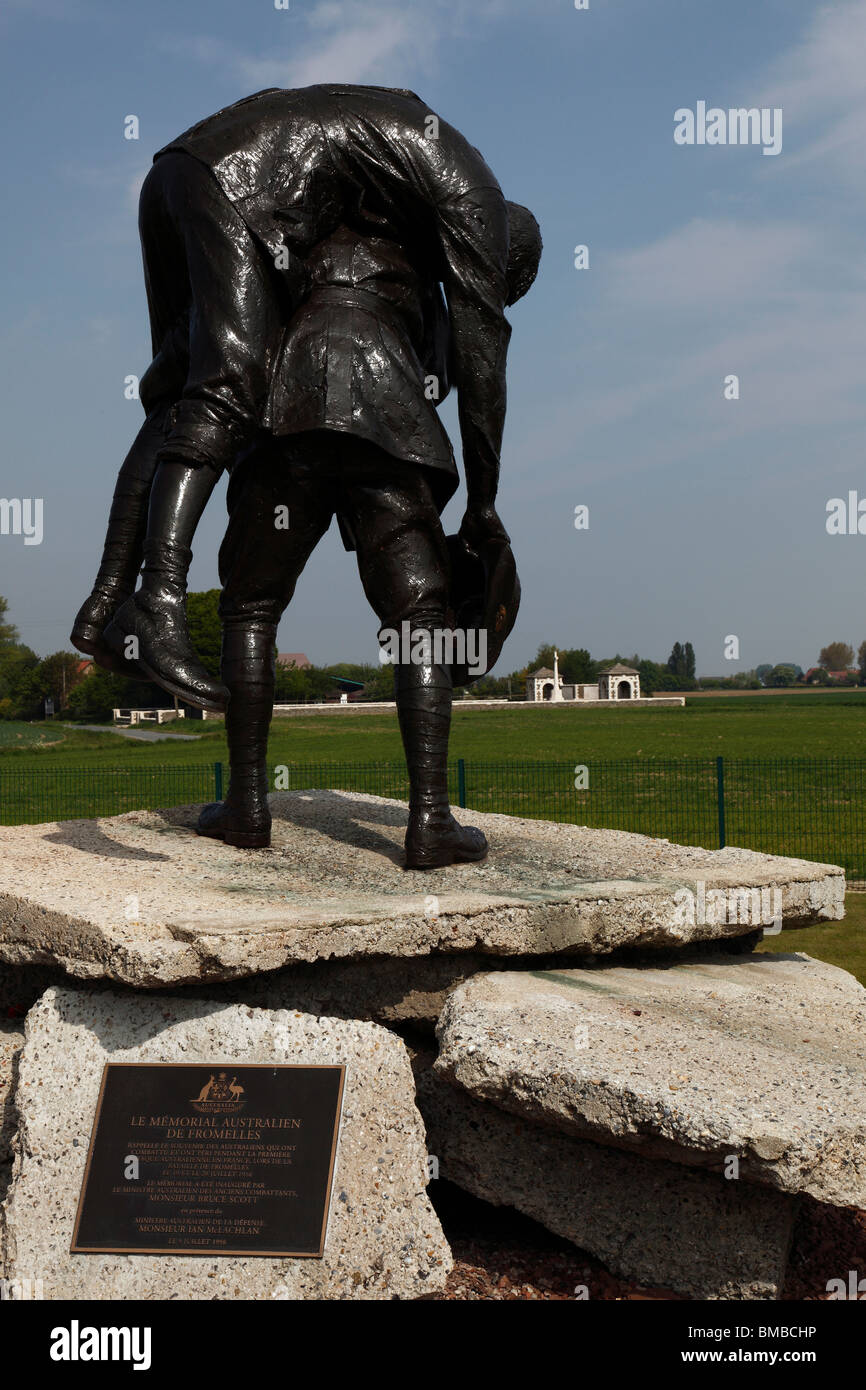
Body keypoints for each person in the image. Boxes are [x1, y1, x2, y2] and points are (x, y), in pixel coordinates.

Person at [71, 84, 541, 713]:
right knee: (226, 392)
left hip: (177, 173)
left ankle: (107, 601)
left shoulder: (401, 192)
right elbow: (484, 366)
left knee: (177, 400)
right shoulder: (476, 207)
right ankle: (157, 602)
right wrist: (482, 505)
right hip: (240, 180)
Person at [196, 208, 540, 869]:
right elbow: (473, 395)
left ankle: (245, 806)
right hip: (386, 423)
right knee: (420, 618)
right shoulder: (429, 282)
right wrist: (483, 503)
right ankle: (430, 820)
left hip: (290, 411)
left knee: (251, 606)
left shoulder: (330, 215)